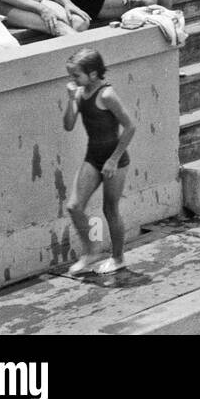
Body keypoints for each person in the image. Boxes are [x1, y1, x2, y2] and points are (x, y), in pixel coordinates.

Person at [63, 47, 135, 276]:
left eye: (76, 75)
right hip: (93, 157)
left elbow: (130, 127)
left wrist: (113, 160)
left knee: (110, 209)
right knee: (74, 206)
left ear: (93, 74)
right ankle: (92, 250)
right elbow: (68, 125)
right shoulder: (80, 93)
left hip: (115, 159)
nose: (73, 80)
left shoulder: (106, 95)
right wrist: (70, 100)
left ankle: (118, 258)